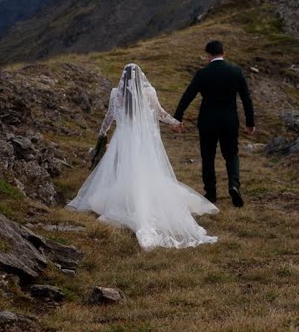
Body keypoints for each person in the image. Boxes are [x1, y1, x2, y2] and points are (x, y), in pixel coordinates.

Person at [67, 64, 217, 250]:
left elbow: (109, 117)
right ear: (140, 77)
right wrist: (175, 122)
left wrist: (102, 135)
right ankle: (148, 201)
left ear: (124, 78)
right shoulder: (149, 92)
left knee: (124, 171)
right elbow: (160, 113)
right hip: (143, 141)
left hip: (123, 140)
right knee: (147, 170)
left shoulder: (116, 94)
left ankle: (128, 200)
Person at [174, 40, 255, 207]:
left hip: (207, 121)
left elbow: (188, 96)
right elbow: (246, 99)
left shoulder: (202, 73)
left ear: (208, 55)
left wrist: (178, 117)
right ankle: (234, 185)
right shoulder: (236, 72)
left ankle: (210, 193)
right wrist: (250, 122)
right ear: (223, 53)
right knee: (231, 155)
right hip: (229, 121)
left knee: (208, 156)